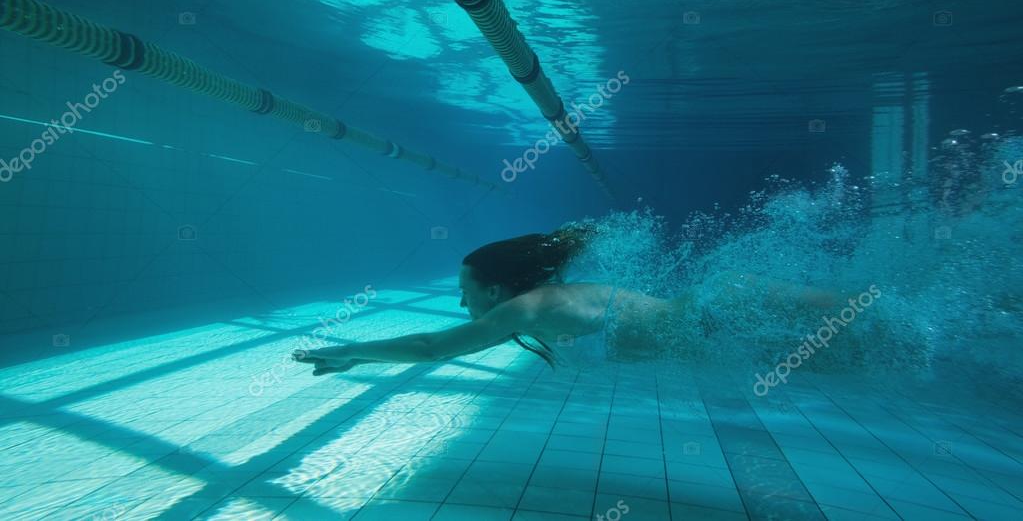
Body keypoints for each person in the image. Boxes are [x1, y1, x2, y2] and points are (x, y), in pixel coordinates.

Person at [293, 224, 838, 375]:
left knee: (872, 321)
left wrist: (351, 351)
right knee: (866, 345)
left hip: (723, 310)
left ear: (494, 289)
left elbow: (432, 347)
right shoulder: (534, 311)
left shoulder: (527, 308)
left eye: (464, 293)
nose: (461, 305)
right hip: (721, 322)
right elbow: (448, 343)